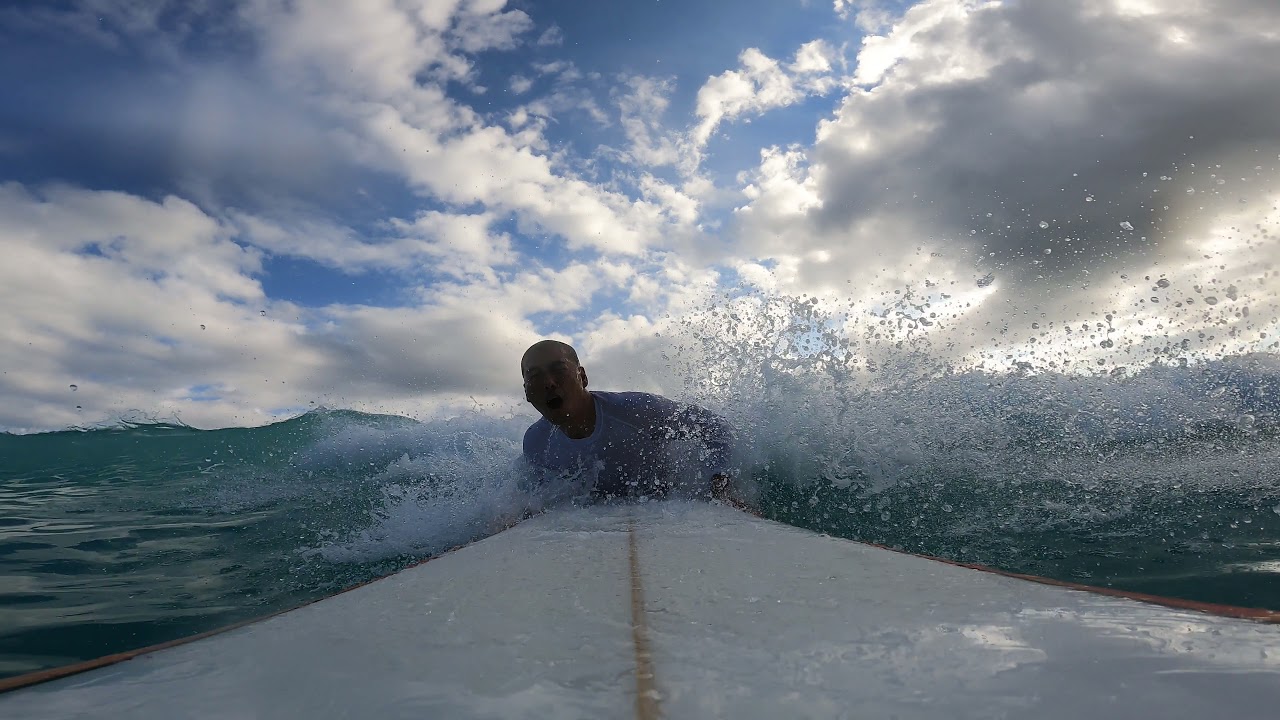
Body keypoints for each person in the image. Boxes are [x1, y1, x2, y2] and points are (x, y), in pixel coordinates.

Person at [520, 339, 736, 502]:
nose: (548, 383)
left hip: (664, 504)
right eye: (535, 376)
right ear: (527, 393)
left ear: (582, 377)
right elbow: (540, 492)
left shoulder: (638, 411)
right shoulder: (535, 442)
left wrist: (720, 486)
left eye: (559, 370)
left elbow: (715, 426)